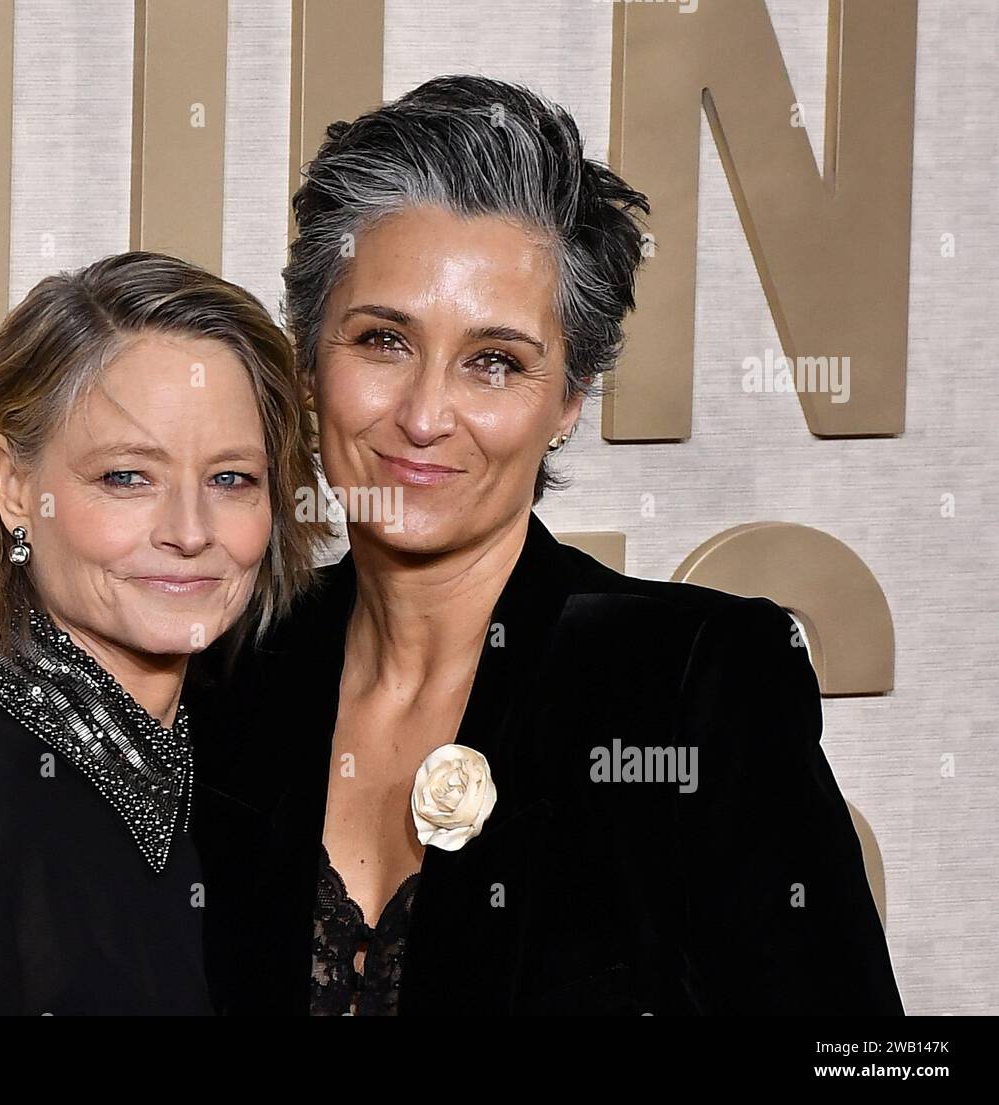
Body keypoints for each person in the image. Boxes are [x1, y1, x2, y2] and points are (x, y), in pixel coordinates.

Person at [186, 75, 905, 1015]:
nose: (425, 415)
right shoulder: (222, 670)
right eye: (382, 340)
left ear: (569, 400)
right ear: (308, 356)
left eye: (495, 361)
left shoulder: (693, 682)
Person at [0, 251, 328, 1014]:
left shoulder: (234, 768)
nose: (190, 530)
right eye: (126, 477)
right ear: (15, 486)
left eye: (230, 478)